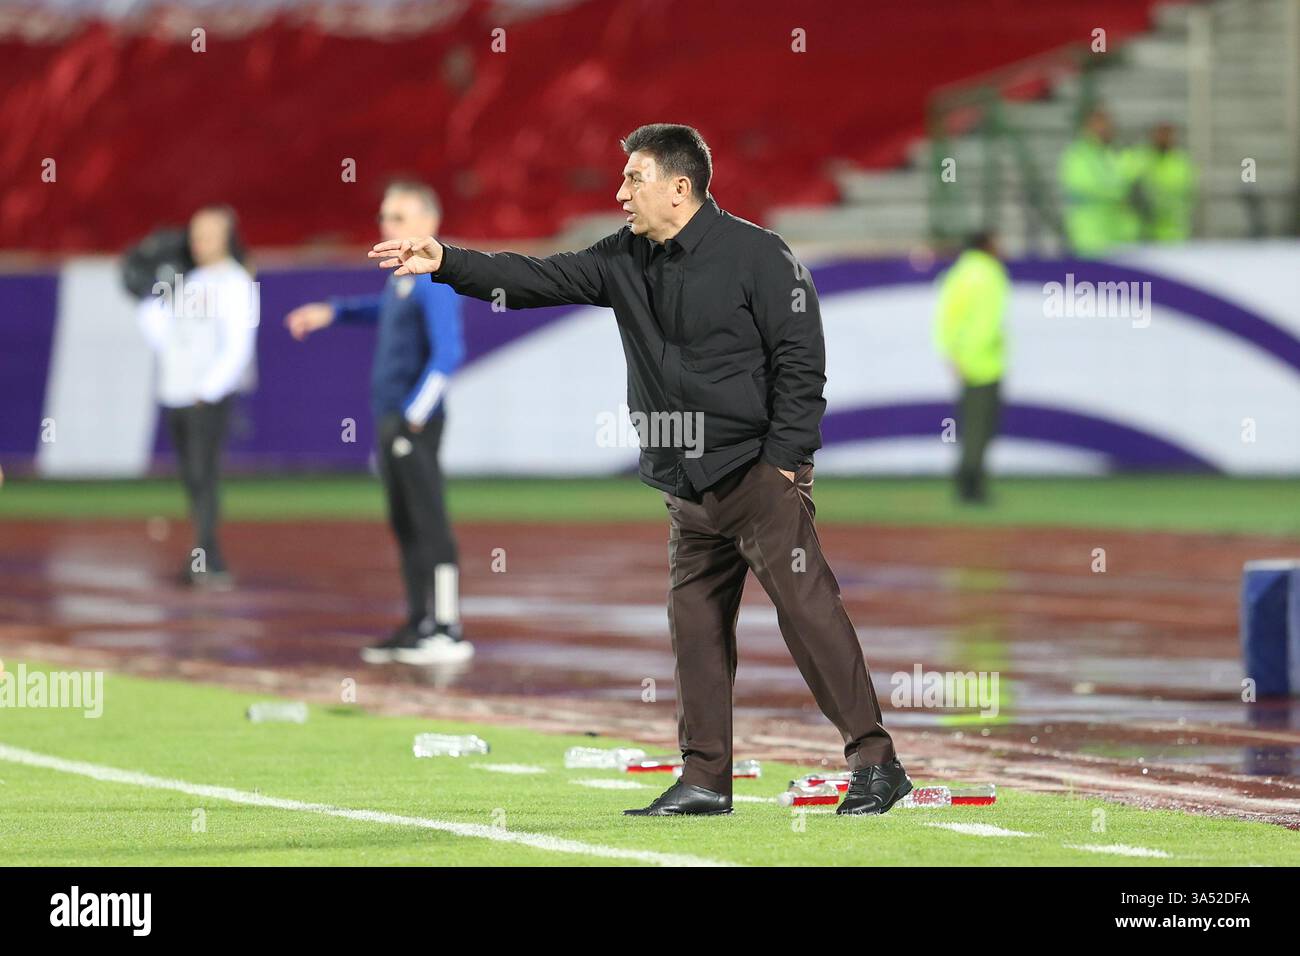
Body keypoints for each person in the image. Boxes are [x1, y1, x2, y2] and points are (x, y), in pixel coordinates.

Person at [370, 124, 910, 816]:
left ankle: (875, 761)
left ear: (679, 189)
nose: (621, 194)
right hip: (685, 487)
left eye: (635, 179)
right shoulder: (623, 257)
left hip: (755, 476)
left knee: (809, 617)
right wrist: (446, 260)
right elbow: (533, 278)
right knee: (696, 634)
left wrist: (785, 463)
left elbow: (802, 363)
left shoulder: (759, 255)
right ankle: (707, 779)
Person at [285, 182, 470, 665]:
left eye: (400, 217)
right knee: (406, 522)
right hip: (392, 418)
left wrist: (412, 416)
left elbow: (448, 354)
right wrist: (334, 312)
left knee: (429, 521)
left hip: (414, 422)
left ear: (429, 222)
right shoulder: (402, 278)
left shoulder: (434, 277)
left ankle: (446, 628)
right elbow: (383, 312)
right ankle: (417, 622)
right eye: (385, 216)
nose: (387, 226)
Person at [137, 205, 257, 588]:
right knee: (191, 477)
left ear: (226, 238)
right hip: (175, 391)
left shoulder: (235, 282)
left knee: (204, 475)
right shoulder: (189, 280)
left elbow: (238, 344)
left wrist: (210, 387)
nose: (199, 241)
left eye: (208, 234)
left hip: (204, 395)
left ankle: (208, 558)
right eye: (195, 234)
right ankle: (206, 555)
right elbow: (161, 333)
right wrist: (147, 294)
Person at [933, 232, 1009, 505]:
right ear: (987, 245)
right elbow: (991, 321)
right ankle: (972, 487)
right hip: (986, 362)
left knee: (970, 427)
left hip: (964, 360)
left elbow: (946, 318)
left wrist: (952, 354)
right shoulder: (991, 273)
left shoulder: (957, 274)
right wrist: (984, 348)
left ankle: (966, 484)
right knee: (981, 429)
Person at [1058, 109, 1142, 255]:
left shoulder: (1115, 152)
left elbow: (1134, 175)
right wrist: (1118, 192)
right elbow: (1085, 186)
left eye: (1107, 124)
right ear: (1087, 128)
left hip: (1122, 235)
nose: (1104, 129)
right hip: (1090, 237)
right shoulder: (1078, 154)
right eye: (1099, 124)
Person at [1133, 122, 1197, 242]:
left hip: (1174, 235)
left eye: (1166, 134)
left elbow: (1178, 194)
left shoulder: (1181, 163)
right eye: (1160, 134)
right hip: (1147, 233)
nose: (1163, 138)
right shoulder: (1142, 159)